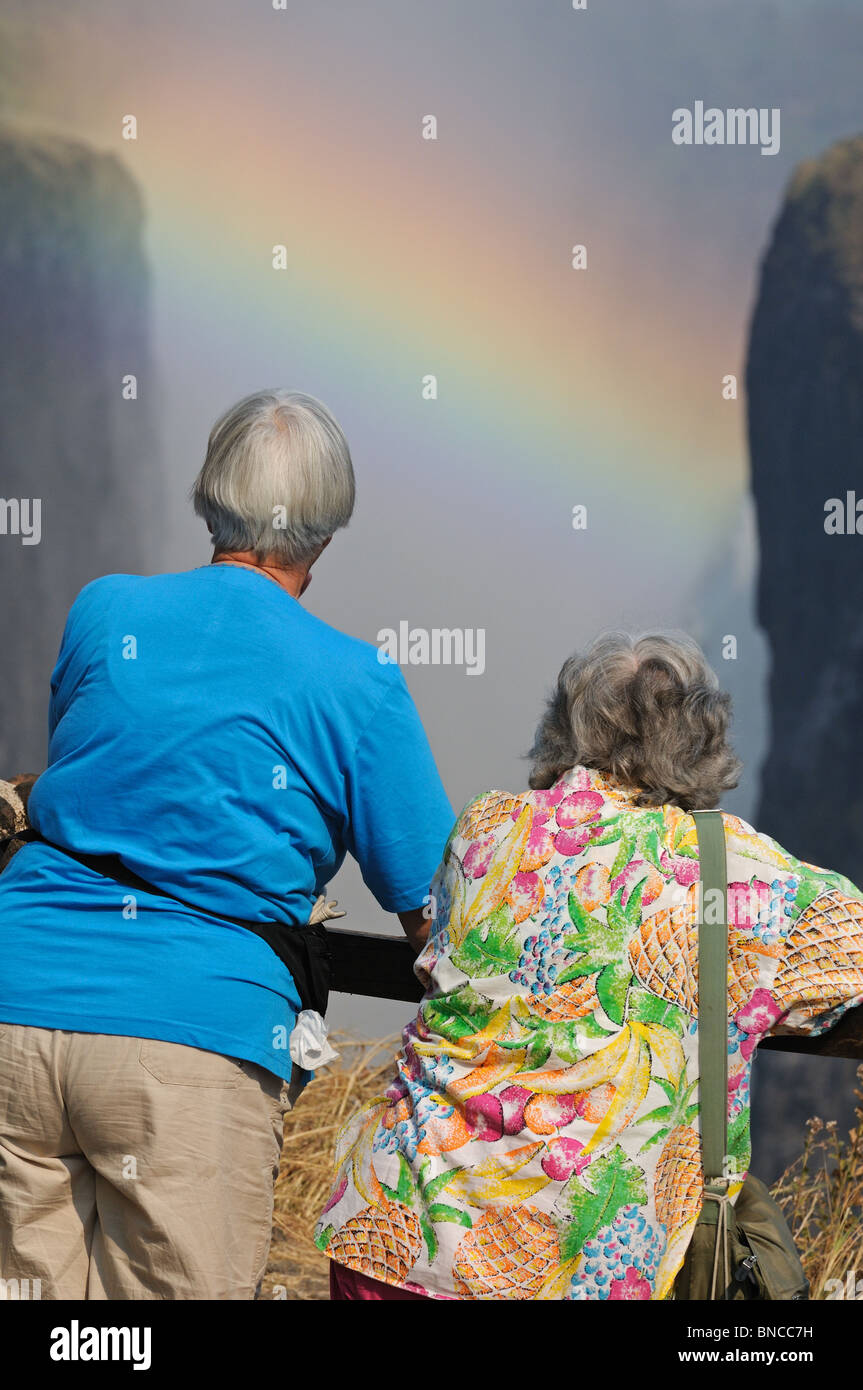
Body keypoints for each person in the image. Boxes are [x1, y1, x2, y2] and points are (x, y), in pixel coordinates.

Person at [0, 389, 453, 1300]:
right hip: (191, 1046)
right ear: (326, 531)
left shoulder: (103, 612)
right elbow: (438, 912)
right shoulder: (357, 685)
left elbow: (88, 782)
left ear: (210, 498)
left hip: (17, 1000)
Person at [319, 630, 863, 1300]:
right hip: (571, 1276)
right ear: (703, 738)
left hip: (391, 1236)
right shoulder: (730, 870)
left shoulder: (484, 828)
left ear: (561, 726)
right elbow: (845, 953)